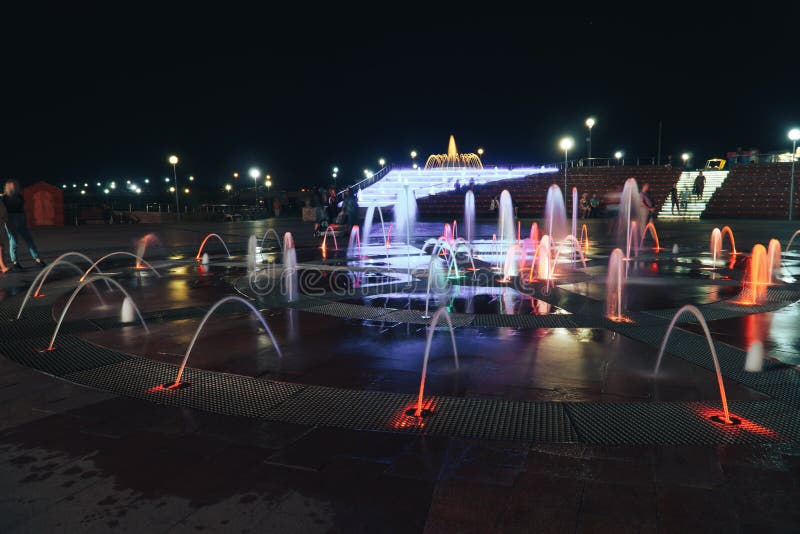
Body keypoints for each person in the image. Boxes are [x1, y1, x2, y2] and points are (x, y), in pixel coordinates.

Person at [2, 179, 45, 270]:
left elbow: (23, 209)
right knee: (14, 241)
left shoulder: (19, 196)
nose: (16, 187)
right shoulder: (5, 198)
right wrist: (6, 221)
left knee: (28, 239)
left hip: (20, 218)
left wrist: (26, 220)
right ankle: (15, 262)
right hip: (11, 218)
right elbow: (4, 211)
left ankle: (37, 259)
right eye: (14, 186)